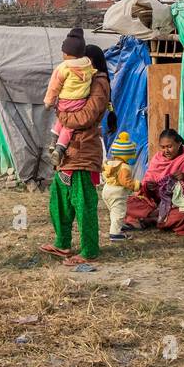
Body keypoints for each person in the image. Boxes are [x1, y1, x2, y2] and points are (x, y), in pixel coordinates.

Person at [40, 42, 111, 266]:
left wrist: (61, 114)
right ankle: (63, 243)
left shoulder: (99, 84)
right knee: (59, 201)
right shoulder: (83, 83)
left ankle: (89, 250)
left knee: (83, 204)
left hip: (83, 153)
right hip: (69, 154)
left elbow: (85, 118)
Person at [122, 129, 184, 236]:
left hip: (178, 206)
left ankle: (151, 219)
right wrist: (149, 187)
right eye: (163, 147)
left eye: (169, 146)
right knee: (125, 203)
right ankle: (158, 216)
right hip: (156, 205)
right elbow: (146, 189)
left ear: (179, 144)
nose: (166, 151)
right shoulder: (157, 159)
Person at [44, 28, 95, 166]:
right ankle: (59, 148)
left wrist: (48, 102)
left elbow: (53, 87)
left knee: (62, 120)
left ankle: (56, 143)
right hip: (79, 103)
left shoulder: (63, 68)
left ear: (67, 53)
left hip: (64, 102)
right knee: (69, 126)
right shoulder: (88, 66)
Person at [103, 132, 141, 241]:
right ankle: (115, 234)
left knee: (114, 211)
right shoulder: (124, 167)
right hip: (117, 193)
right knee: (118, 212)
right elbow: (125, 181)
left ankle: (117, 226)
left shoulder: (110, 163)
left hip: (107, 190)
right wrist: (137, 185)